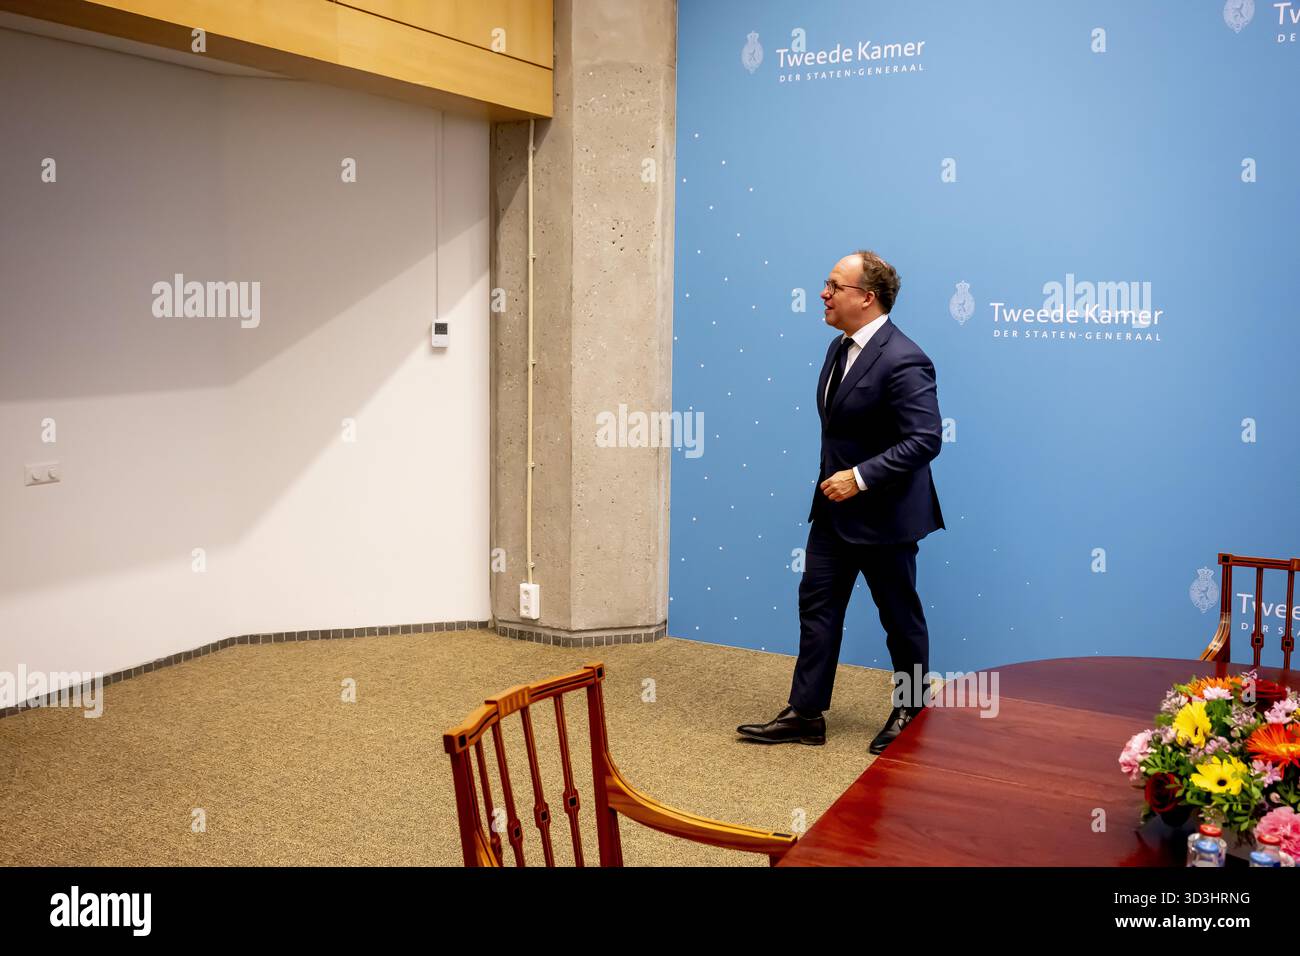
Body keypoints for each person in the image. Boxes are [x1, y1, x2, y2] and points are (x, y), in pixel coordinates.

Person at [737, 250, 944, 754]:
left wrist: (860, 477)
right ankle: (806, 713)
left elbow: (925, 439)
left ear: (866, 298)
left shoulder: (905, 358)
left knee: (899, 617)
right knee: (817, 609)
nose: (823, 294)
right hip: (833, 514)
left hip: (887, 517)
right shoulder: (837, 348)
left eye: (834, 286)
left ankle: (912, 707)